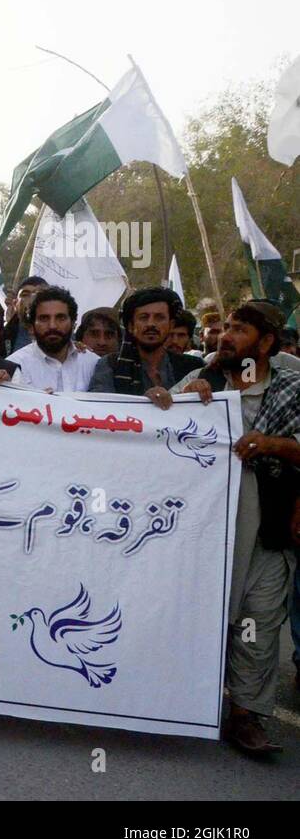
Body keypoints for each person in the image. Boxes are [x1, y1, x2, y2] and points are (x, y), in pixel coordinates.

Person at [164, 303, 300, 754]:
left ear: (265, 344)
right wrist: (176, 399)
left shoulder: (291, 389)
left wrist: (273, 446)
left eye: (240, 330)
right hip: (203, 534)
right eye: (225, 328)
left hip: (266, 530)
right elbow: (155, 422)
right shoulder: (203, 381)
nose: (226, 336)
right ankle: (181, 701)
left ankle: (245, 716)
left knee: (258, 624)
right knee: (199, 617)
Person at [89, 287, 201, 397]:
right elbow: (101, 408)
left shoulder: (193, 367)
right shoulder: (110, 365)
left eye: (159, 317)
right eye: (144, 317)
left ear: (171, 325)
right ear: (131, 326)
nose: (151, 324)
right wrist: (144, 403)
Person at [7, 286, 98, 393]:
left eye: (61, 318)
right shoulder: (14, 366)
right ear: (31, 327)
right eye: (44, 319)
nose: (52, 326)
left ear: (73, 323)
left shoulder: (93, 364)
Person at [4, 275, 49, 353]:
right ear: (15, 303)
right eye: (25, 295)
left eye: (40, 294)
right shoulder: (2, 337)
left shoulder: (65, 339)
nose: (32, 299)